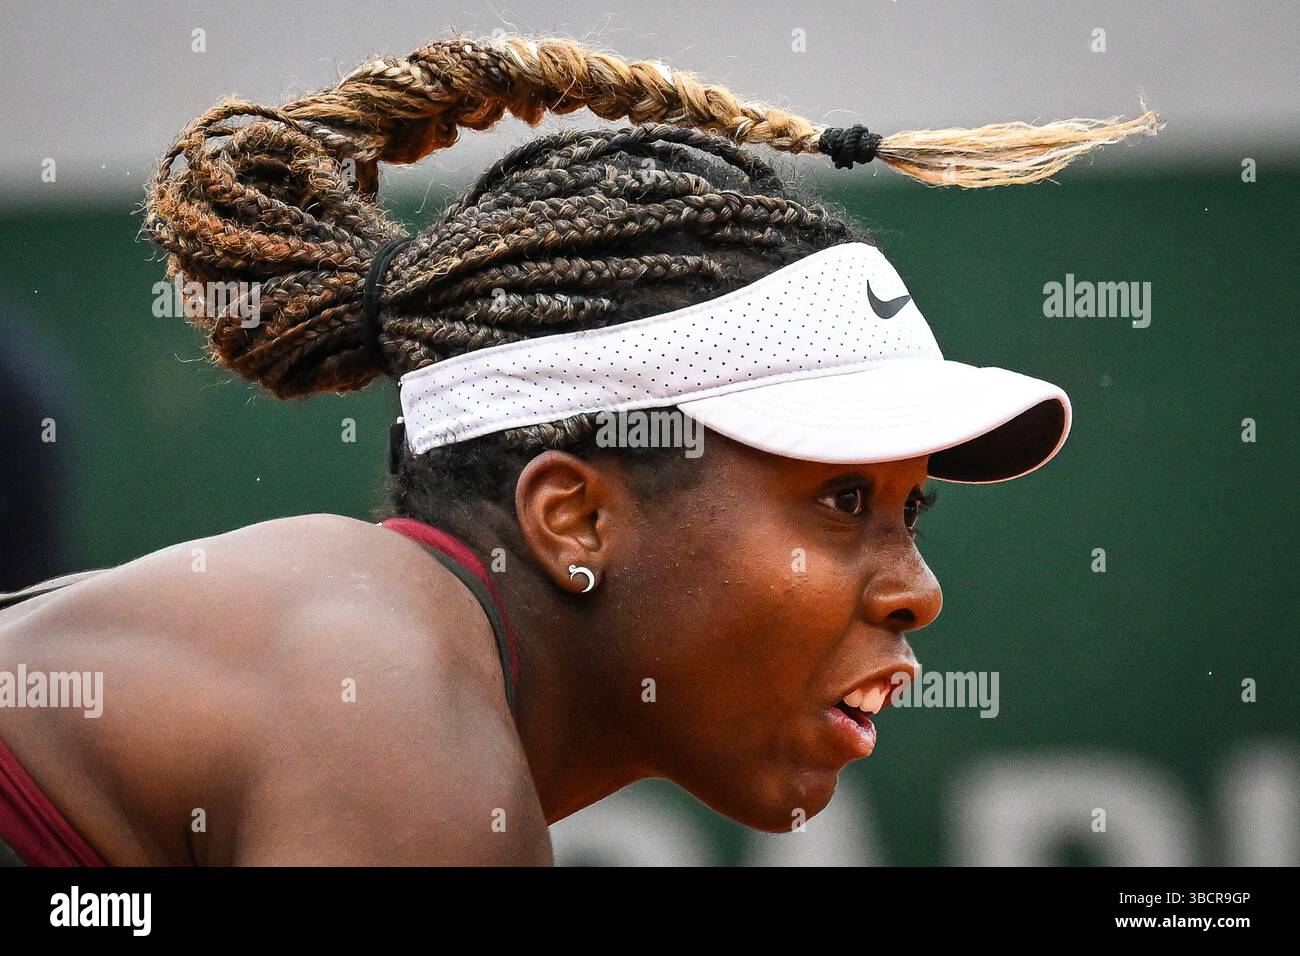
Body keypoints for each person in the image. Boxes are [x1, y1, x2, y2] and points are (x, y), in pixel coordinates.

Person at [0, 34, 1157, 866]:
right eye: (843, 499)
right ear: (574, 518)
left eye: (911, 510)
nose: (918, 591)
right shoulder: (396, 734)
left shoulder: (397, 679)